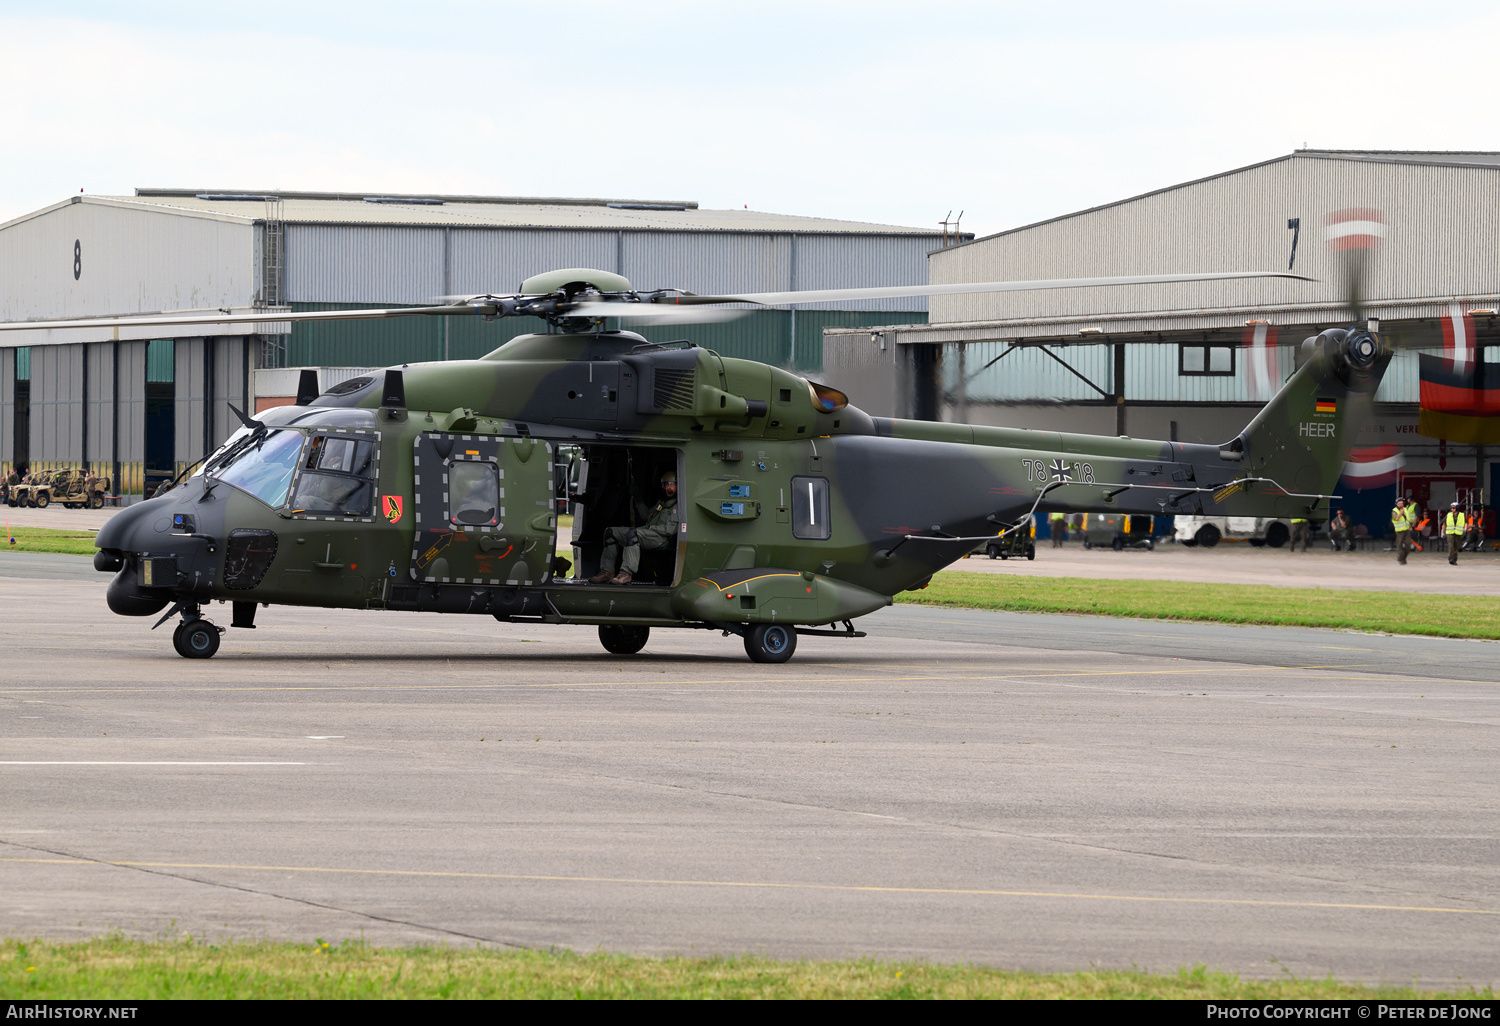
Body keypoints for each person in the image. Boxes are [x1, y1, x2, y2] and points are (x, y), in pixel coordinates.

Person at [589, 470, 679, 586]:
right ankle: (607, 572)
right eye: (666, 484)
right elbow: (646, 516)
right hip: (649, 533)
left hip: (661, 539)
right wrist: (637, 498)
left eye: (671, 484)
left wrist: (652, 528)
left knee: (632, 534)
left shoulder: (677, 506)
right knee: (611, 532)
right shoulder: (662, 503)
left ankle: (626, 573)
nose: (668, 487)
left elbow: (669, 530)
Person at [1392, 498, 1413, 565]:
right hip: (1399, 531)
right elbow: (1396, 518)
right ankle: (1401, 559)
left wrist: (1410, 526)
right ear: (1396, 504)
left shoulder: (1405, 509)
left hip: (1406, 530)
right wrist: (1400, 513)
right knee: (1399, 545)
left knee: (1408, 545)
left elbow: (1407, 519)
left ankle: (1403, 557)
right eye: (1399, 503)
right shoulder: (1394, 511)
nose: (1401, 504)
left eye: (1402, 503)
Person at [1445, 501, 1465, 566]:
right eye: (1451, 508)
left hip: (1458, 533)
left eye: (1453, 508)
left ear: (1457, 508)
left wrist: (1465, 529)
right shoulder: (1449, 515)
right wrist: (1442, 531)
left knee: (1456, 547)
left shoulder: (1462, 515)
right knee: (1451, 546)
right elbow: (1444, 523)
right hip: (1450, 533)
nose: (1452, 509)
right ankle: (1450, 559)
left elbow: (1465, 522)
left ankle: (1454, 560)